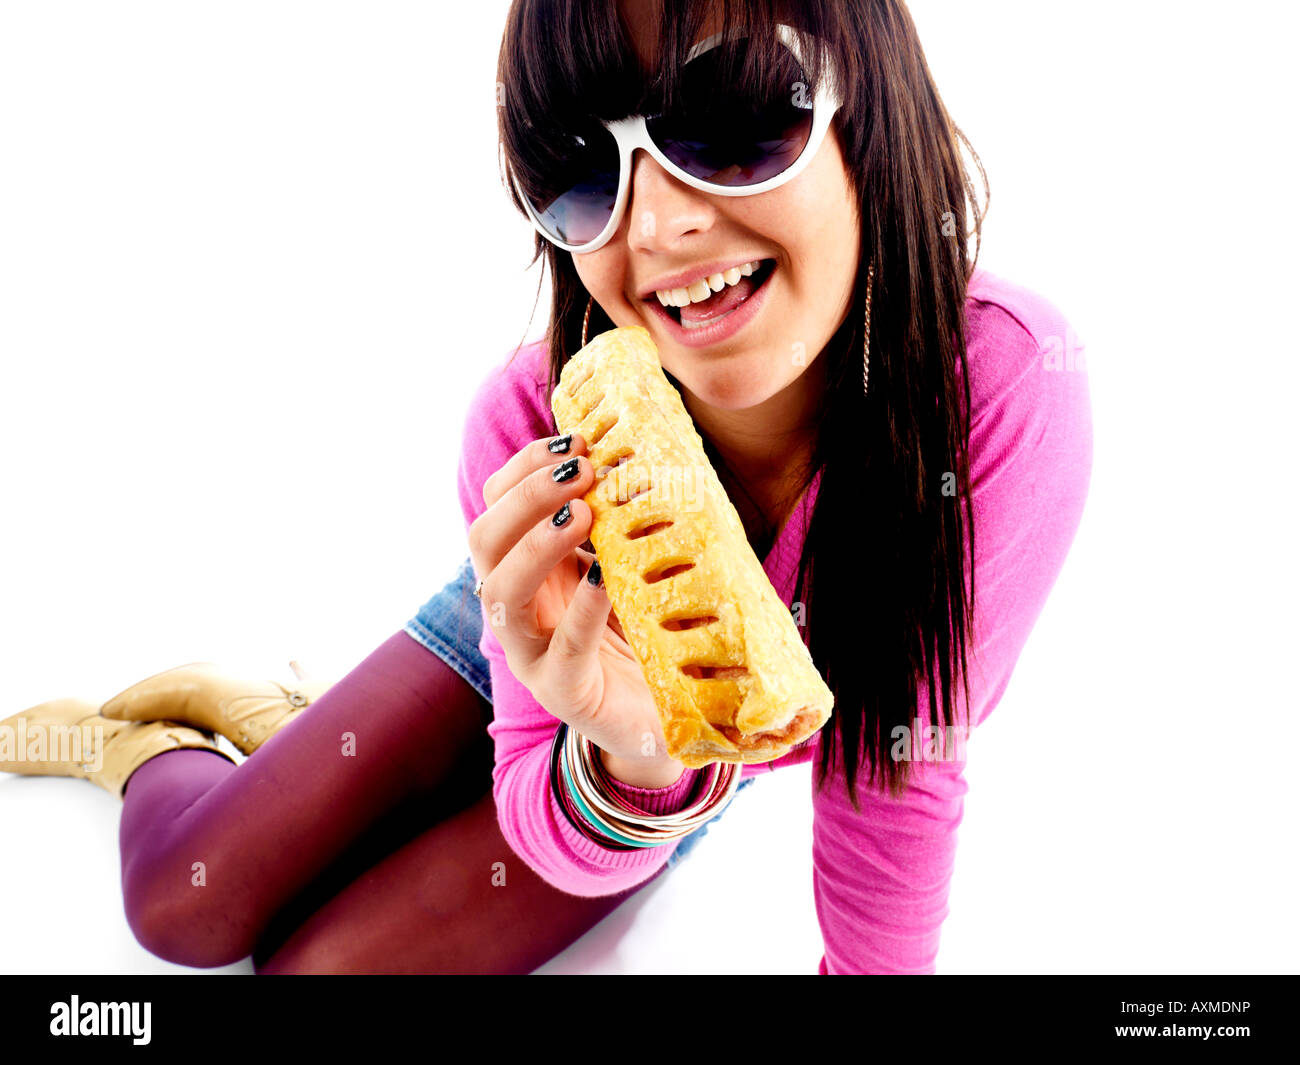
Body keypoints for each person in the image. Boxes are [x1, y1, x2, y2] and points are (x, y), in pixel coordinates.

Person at [0, 0, 1092, 974]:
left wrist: (648, 757)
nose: (657, 227)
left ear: (876, 98)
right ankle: (164, 743)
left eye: (731, 116)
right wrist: (594, 742)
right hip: (535, 621)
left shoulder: (1000, 392)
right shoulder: (530, 426)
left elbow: (891, 764)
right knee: (180, 908)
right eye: (579, 167)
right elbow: (535, 780)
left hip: (686, 755)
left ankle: (293, 727)